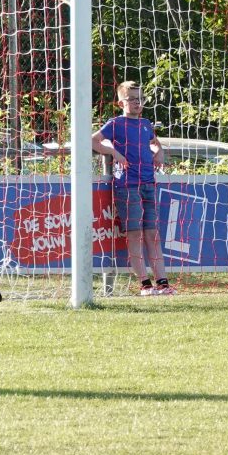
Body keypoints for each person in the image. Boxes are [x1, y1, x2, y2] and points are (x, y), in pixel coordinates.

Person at [91, 79, 171, 296]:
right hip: (127, 185)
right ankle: (145, 284)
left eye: (140, 99)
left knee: (152, 234)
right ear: (121, 103)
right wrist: (113, 153)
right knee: (135, 235)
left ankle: (163, 282)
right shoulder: (116, 123)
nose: (138, 103)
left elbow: (155, 142)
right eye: (132, 99)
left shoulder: (145, 123)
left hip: (148, 183)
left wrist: (160, 152)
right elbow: (93, 141)